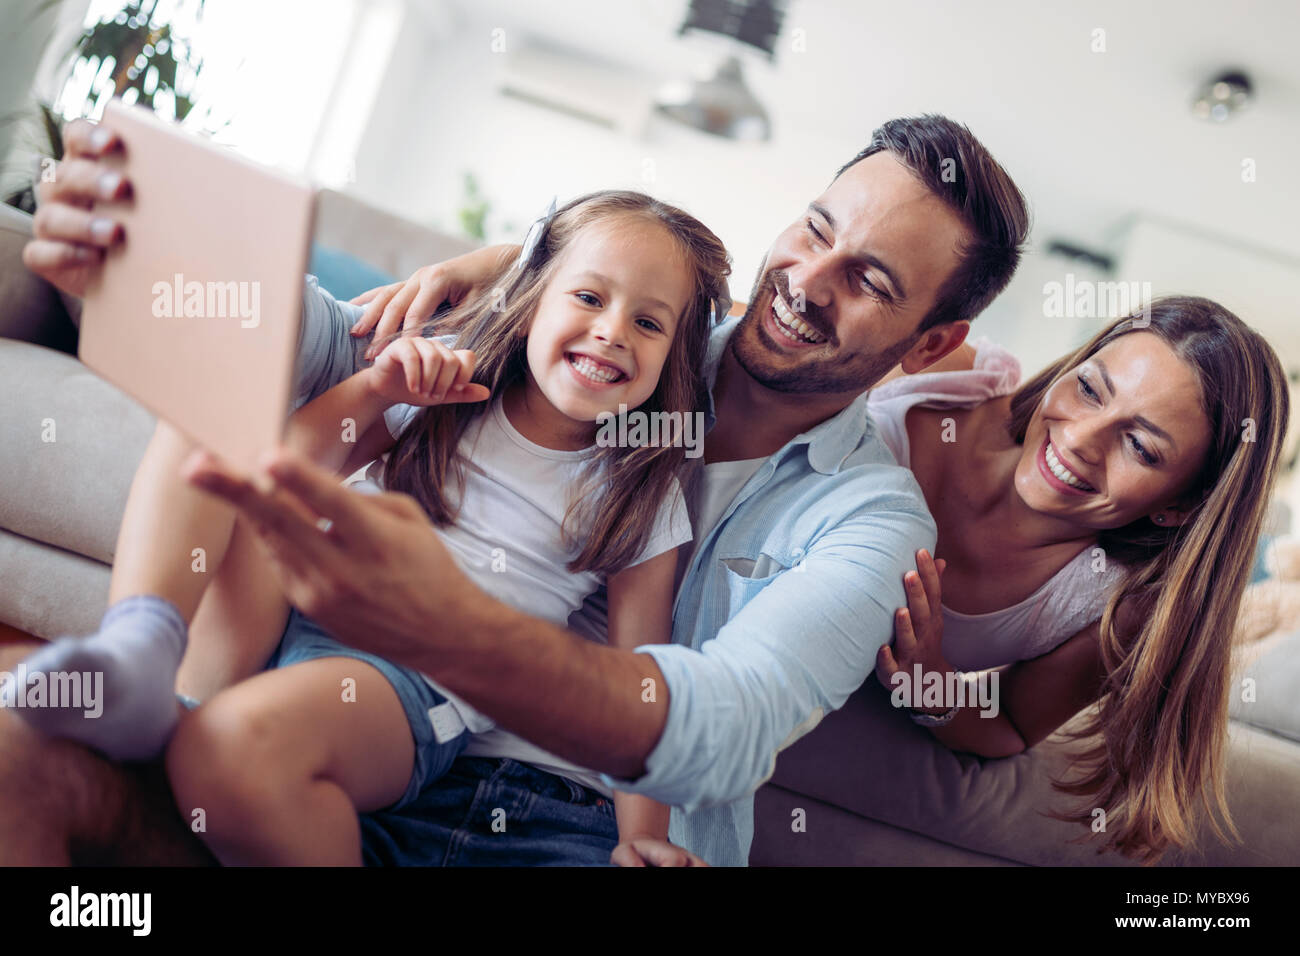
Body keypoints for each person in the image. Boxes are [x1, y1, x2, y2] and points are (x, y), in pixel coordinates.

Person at [4, 113, 1030, 867]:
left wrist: (448, 626)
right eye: (815, 228)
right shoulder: (547, 337)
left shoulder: (870, 519)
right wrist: (139, 244)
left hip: (558, 827)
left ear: (931, 343)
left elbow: (718, 713)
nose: (811, 279)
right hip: (295, 736)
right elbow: (297, 345)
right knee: (19, 756)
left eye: (873, 282)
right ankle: (139, 649)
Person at [17, 189, 731, 865]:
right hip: (288, 615)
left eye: (648, 322)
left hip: (409, 686)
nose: (611, 332)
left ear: (674, 353)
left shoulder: (638, 485)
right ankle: (142, 644)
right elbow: (292, 467)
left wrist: (640, 838)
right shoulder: (446, 383)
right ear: (533, 296)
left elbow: (641, 683)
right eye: (588, 297)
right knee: (220, 411)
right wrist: (380, 387)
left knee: (247, 753)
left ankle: (206, 738)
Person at [871, 299, 1289, 861]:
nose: (1081, 439)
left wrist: (930, 682)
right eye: (1091, 389)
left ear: (1183, 505)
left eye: (1140, 446)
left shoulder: (1112, 601)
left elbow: (1014, 725)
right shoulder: (949, 375)